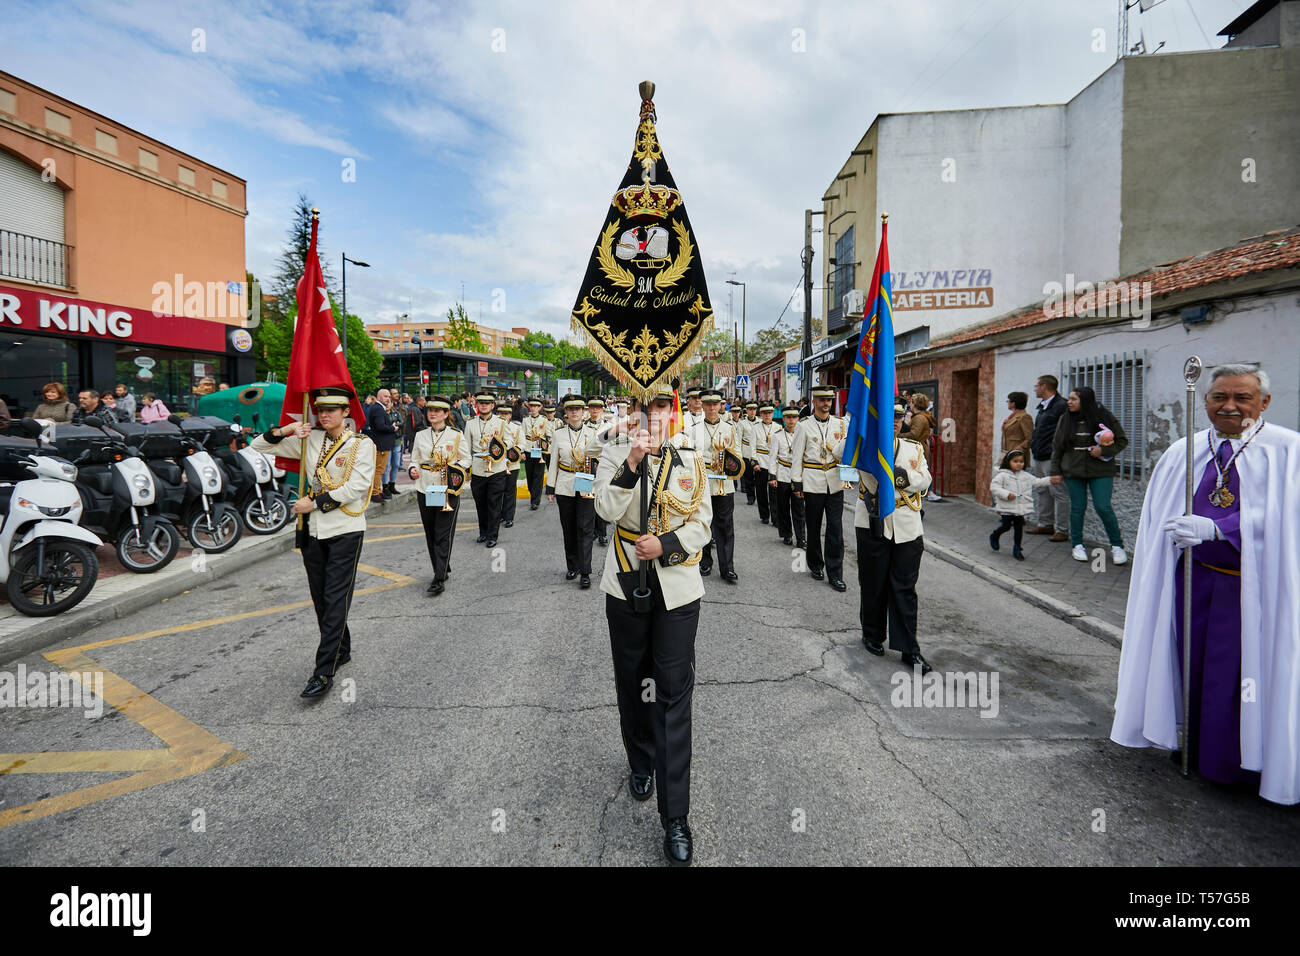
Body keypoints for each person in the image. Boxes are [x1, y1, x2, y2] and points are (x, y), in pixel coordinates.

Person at [1113, 364, 1300, 805]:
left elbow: (1289, 520)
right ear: (1206, 401)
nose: (1229, 406)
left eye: (1242, 398)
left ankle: (1237, 764)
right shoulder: (1185, 451)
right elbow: (1158, 511)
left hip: (1251, 592)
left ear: (1264, 403)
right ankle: (1192, 748)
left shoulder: (1288, 451)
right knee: (1190, 665)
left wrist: (1224, 529)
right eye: (1219, 397)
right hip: (1191, 582)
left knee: (1238, 676)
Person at [594, 383, 712, 865]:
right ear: (634, 410)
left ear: (673, 409)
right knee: (633, 681)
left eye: (662, 405)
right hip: (625, 584)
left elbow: (703, 523)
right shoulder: (614, 452)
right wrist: (632, 463)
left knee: (673, 692)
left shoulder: (690, 455)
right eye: (645, 406)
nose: (654, 414)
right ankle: (639, 759)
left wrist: (667, 544)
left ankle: (676, 817)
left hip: (678, 589)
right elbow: (604, 508)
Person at [249, 386, 376, 699]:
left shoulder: (362, 444)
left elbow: (357, 486)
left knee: (335, 598)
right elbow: (258, 445)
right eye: (321, 409)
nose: (325, 414)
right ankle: (341, 649)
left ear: (346, 412)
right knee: (321, 598)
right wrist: (286, 429)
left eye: (332, 409)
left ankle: (323, 671)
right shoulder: (311, 440)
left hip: (345, 528)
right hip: (313, 531)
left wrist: (314, 502)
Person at [857, 404, 933, 673]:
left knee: (904, 588)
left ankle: (909, 649)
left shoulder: (914, 448)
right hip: (873, 521)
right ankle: (872, 634)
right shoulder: (862, 445)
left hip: (907, 523)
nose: (894, 422)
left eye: (899, 417)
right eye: (889, 416)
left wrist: (901, 477)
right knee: (873, 583)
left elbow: (925, 479)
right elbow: (840, 452)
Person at [1049, 385, 1128, 565]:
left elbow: (1122, 440)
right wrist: (1055, 471)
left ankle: (1117, 546)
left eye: (1073, 399)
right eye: (1069, 399)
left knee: (1103, 507)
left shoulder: (1104, 416)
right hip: (1072, 470)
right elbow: (1058, 447)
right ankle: (1077, 544)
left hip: (1100, 470)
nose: (1069, 402)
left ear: (1085, 401)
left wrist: (1104, 450)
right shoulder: (1065, 418)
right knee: (1077, 508)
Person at [408, 396, 471, 596]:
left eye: (437, 411)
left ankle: (439, 576)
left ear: (446, 414)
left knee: (443, 532)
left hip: (447, 488)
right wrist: (412, 470)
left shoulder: (456, 434)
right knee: (431, 532)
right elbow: (414, 459)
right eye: (430, 410)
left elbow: (466, 459)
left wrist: (455, 470)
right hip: (425, 486)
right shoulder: (421, 435)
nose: (432, 414)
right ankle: (442, 565)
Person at [791, 386, 848, 592]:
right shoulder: (804, 426)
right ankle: (815, 564)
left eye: (829, 400)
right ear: (814, 402)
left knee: (835, 529)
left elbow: (847, 454)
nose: (826, 404)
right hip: (813, 481)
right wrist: (796, 482)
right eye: (822, 400)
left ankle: (835, 573)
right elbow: (797, 457)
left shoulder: (840, 425)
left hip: (834, 482)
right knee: (813, 527)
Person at [545, 395, 599, 586]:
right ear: (566, 413)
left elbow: (599, 459)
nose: (575, 412)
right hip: (565, 483)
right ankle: (572, 566)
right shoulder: (559, 434)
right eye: (571, 409)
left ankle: (585, 571)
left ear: (584, 412)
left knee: (585, 528)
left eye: (578, 409)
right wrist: (550, 487)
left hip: (586, 483)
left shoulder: (592, 433)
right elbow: (553, 463)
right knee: (569, 528)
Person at [690, 389, 740, 582]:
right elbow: (690, 458)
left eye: (715, 404)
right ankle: (704, 562)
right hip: (702, 482)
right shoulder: (694, 429)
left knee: (725, 526)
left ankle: (727, 567)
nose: (712, 408)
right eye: (708, 404)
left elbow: (737, 456)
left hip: (724, 483)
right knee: (703, 523)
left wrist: (728, 464)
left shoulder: (730, 428)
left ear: (721, 406)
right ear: (702, 405)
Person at [463, 391, 509, 547]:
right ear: (477, 405)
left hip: (497, 468)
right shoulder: (470, 423)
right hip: (478, 468)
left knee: (494, 503)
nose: (484, 405)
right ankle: (483, 532)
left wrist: (497, 450)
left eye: (487, 403)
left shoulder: (501, 422)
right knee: (480, 503)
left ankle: (492, 535)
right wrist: (466, 469)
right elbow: (466, 448)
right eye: (481, 403)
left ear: (492, 405)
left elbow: (508, 442)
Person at [1027, 375, 1069, 541]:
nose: (1035, 389)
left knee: (1058, 492)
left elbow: (1064, 433)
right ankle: (1045, 524)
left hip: (1052, 457)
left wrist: (1055, 453)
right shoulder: (1043, 407)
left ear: (1044, 387)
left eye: (1036, 386)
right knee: (1042, 489)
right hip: (1039, 454)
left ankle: (1062, 530)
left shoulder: (1061, 405)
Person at [989, 449, 1052, 560]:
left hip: (1019, 508)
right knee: (1006, 526)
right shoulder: (1002, 475)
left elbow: (1037, 482)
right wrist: (1007, 494)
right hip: (1007, 508)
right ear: (1008, 462)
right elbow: (994, 488)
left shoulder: (1025, 476)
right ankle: (995, 535)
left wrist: (1051, 479)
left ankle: (1017, 548)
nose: (1019, 464)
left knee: (1018, 528)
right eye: (1015, 461)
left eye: (1021, 461)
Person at [767, 405, 807, 548]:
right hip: (783, 474)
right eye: (788, 418)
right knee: (783, 507)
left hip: (798, 476)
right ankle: (786, 534)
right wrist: (772, 476)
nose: (791, 421)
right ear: (784, 419)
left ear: (798, 419)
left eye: (794, 417)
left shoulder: (803, 434)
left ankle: (801, 538)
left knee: (799, 508)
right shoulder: (777, 436)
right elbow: (772, 458)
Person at [905, 393, 941, 501]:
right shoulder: (921, 417)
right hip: (921, 447)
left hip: (918, 449)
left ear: (915, 404)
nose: (909, 404)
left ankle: (928, 492)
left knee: (922, 470)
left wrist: (899, 435)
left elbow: (914, 434)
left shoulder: (919, 418)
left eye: (911, 402)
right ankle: (928, 492)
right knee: (923, 469)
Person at [750, 403, 779, 526]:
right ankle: (764, 515)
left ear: (773, 414)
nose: (767, 416)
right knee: (761, 491)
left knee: (774, 492)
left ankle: (775, 517)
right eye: (764, 413)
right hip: (761, 461)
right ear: (761, 414)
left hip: (774, 463)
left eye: (769, 413)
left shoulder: (778, 427)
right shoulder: (755, 428)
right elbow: (752, 447)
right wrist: (754, 462)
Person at [496, 404, 524, 528]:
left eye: (506, 414)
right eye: (501, 413)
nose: (503, 416)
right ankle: (499, 515)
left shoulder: (516, 428)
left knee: (510, 491)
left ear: (510, 415)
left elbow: (522, 443)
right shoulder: (494, 427)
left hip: (512, 464)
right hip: (498, 464)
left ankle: (508, 517)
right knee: (498, 491)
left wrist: (516, 451)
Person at [588, 398, 612, 546]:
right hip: (587, 464)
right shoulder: (584, 426)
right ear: (588, 409)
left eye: (598, 407)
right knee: (588, 499)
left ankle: (602, 532)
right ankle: (592, 531)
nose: (595, 410)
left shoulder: (609, 426)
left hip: (603, 464)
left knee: (601, 497)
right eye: (592, 407)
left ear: (602, 409)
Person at [520, 399, 549, 511]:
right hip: (528, 447)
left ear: (540, 407)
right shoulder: (525, 420)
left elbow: (548, 434)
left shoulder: (544, 420)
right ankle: (533, 493)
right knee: (530, 474)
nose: (533, 408)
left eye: (536, 406)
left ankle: (535, 501)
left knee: (538, 475)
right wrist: (522, 451)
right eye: (531, 406)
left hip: (539, 449)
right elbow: (522, 435)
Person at [1001, 391, 1033, 460]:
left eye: (1008, 401)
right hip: (1006, 453)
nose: (1007, 403)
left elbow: (1029, 438)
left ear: (1013, 403)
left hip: (1017, 456)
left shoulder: (1025, 417)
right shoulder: (1011, 417)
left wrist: (1016, 451)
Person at [738, 401, 759, 505]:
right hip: (746, 451)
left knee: (759, 478)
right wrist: (740, 455)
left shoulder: (760, 422)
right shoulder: (742, 423)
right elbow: (738, 439)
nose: (752, 412)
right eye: (750, 409)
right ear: (747, 410)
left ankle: (760, 497)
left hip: (758, 452)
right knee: (749, 477)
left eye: (754, 409)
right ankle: (750, 497)